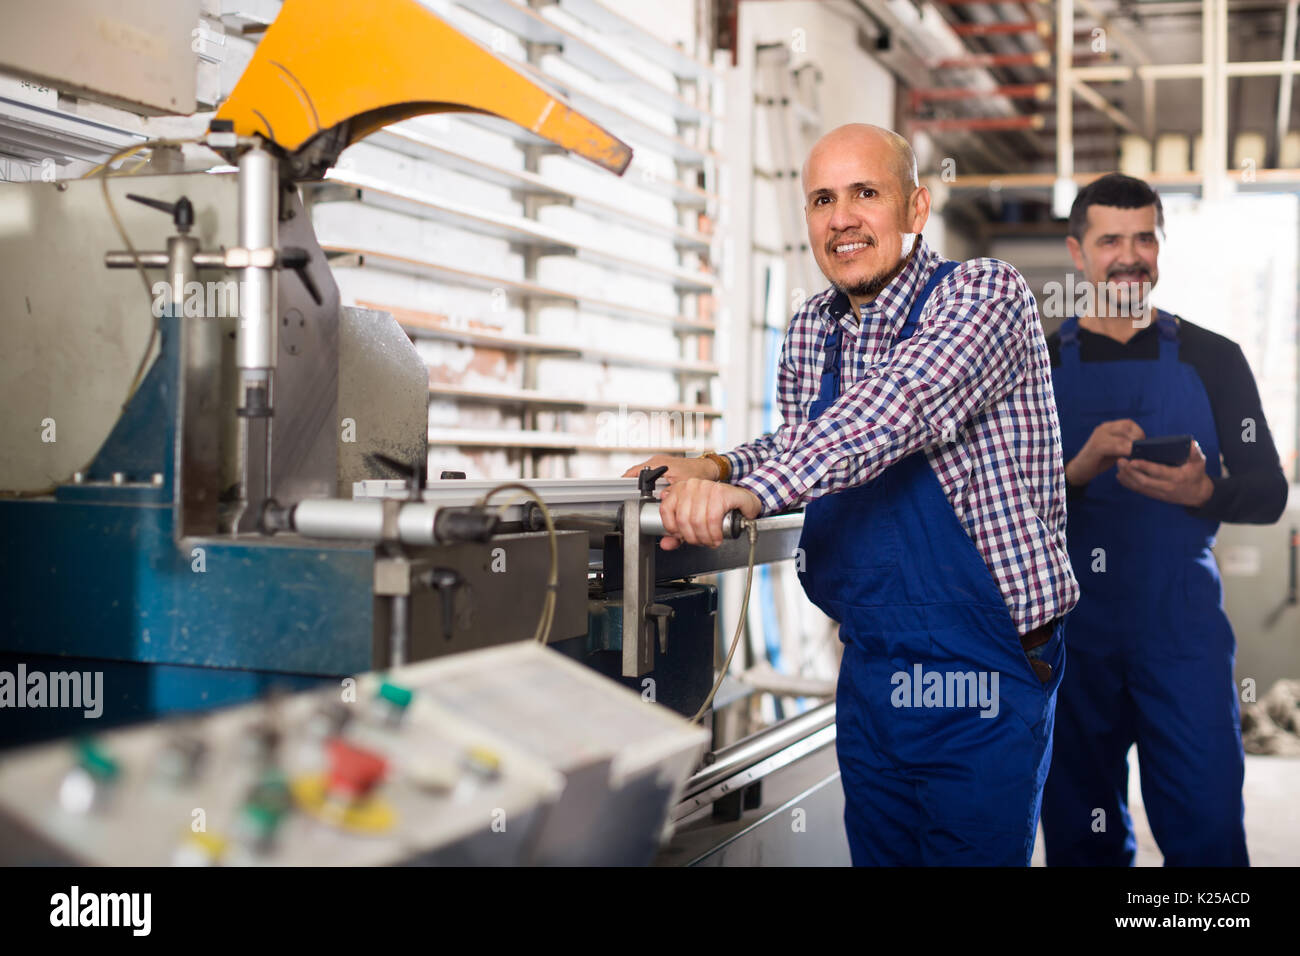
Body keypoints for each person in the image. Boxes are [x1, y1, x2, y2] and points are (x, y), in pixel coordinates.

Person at [625, 123, 1079, 865]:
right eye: (821, 200)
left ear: (916, 208)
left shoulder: (983, 294)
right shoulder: (813, 329)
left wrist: (752, 492)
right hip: (872, 664)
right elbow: (808, 439)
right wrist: (714, 468)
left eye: (865, 193)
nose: (841, 218)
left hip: (985, 668)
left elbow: (899, 408)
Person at [1040, 173, 1289, 866]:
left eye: (1144, 236)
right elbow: (993, 504)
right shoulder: (1035, 365)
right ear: (1077, 252)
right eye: (1110, 239)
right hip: (1070, 635)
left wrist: (1202, 491)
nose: (1130, 255)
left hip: (1182, 632)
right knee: (1080, 834)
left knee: (1206, 826)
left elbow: (1268, 491)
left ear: (1160, 246)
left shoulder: (1216, 360)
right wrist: (1077, 474)